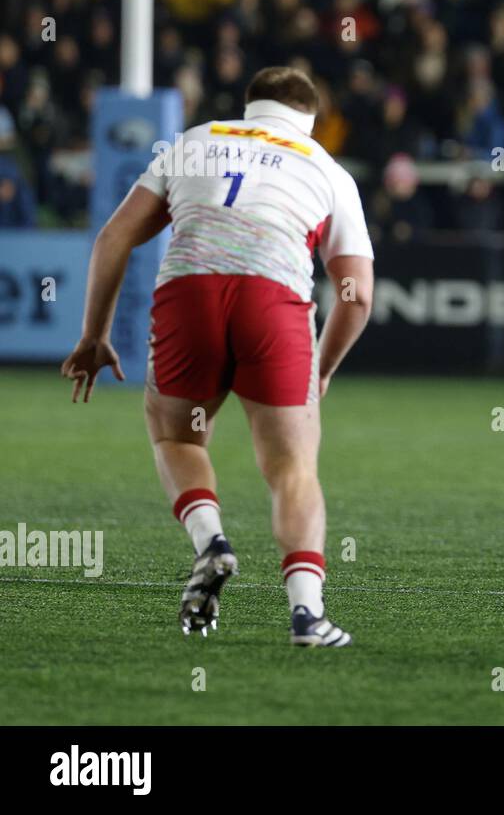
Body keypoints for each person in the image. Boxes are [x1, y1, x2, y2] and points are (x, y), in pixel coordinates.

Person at [60, 67, 374, 647]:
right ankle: (307, 615)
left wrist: (94, 334)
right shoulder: (326, 167)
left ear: (249, 107)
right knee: (291, 468)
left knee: (178, 438)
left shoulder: (195, 140)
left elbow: (112, 238)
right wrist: (322, 368)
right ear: (309, 118)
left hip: (190, 294)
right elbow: (357, 295)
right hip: (272, 303)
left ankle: (212, 543)